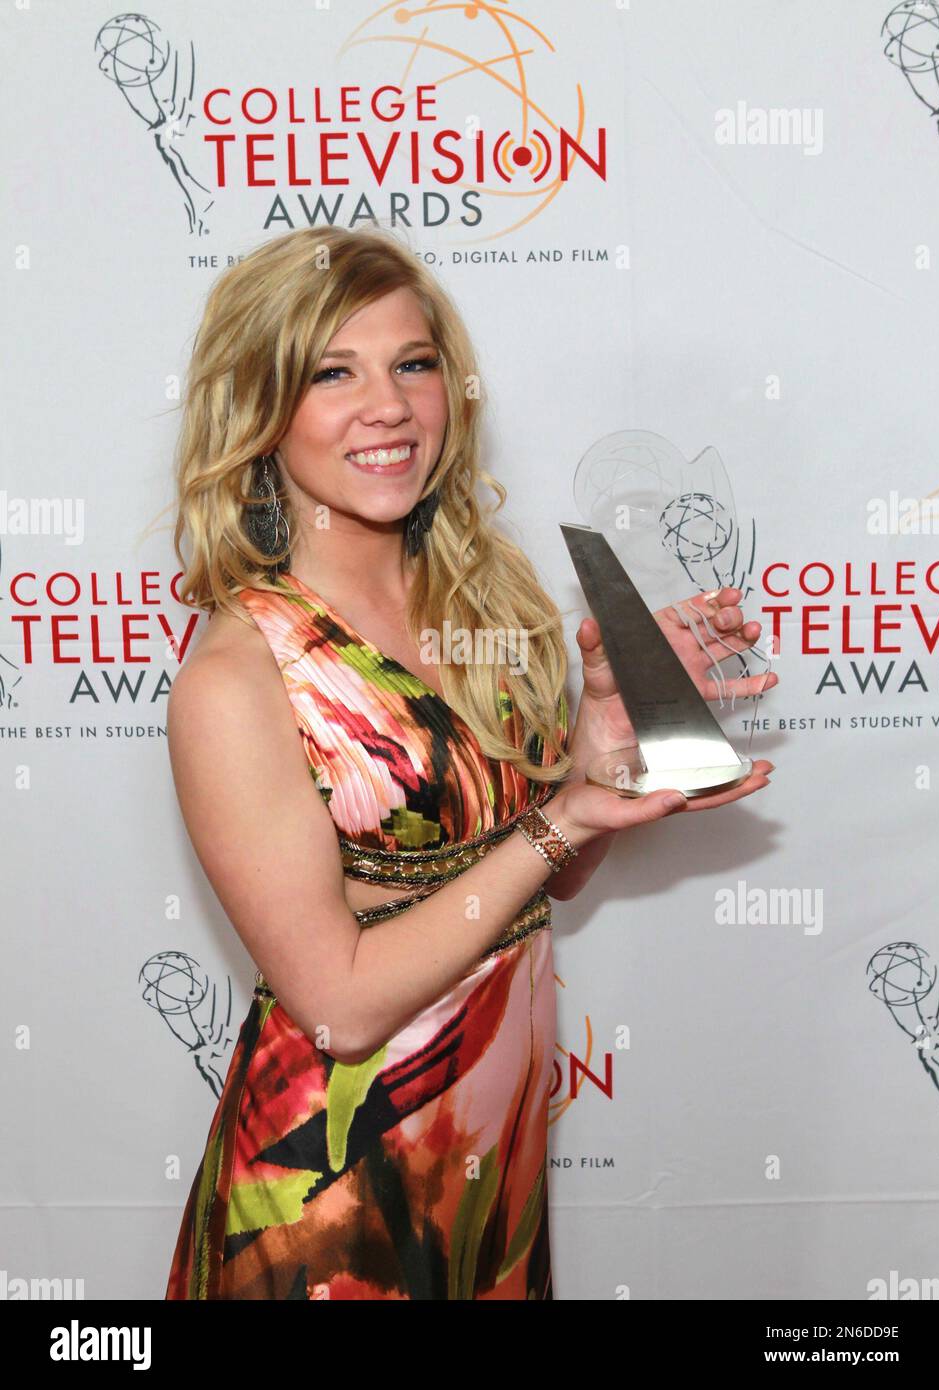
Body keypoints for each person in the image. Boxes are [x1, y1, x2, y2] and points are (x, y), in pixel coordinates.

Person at [163, 225, 775, 1301]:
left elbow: (527, 883)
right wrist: (564, 818)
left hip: (488, 1169)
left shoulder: (479, 605)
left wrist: (600, 748)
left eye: (413, 363)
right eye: (330, 373)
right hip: (339, 1194)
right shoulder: (238, 673)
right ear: (259, 410)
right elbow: (339, 1002)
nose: (389, 405)